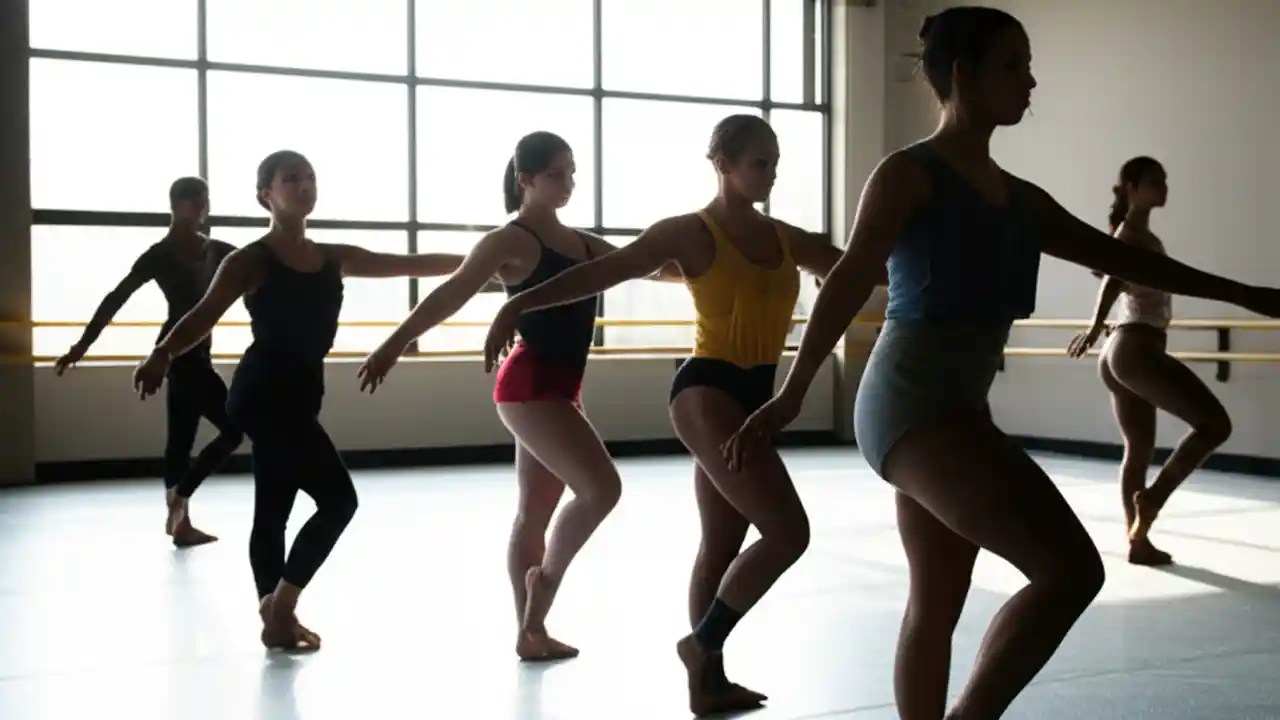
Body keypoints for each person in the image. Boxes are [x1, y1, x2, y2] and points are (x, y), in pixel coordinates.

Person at [719, 8, 1280, 720]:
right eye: (1014, 65)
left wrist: (1251, 295)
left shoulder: (1021, 200)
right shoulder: (907, 175)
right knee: (1070, 569)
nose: (1031, 81)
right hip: (911, 404)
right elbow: (851, 277)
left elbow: (1126, 259)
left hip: (956, 408)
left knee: (937, 602)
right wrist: (793, 392)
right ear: (963, 75)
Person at [481, 115, 840, 715]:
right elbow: (600, 271)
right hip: (708, 393)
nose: (771, 173)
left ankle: (708, 683)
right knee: (788, 532)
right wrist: (517, 304)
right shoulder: (688, 232)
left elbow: (852, 270)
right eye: (759, 162)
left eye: (776, 162)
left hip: (754, 393)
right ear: (722, 163)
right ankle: (701, 645)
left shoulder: (787, 238)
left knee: (721, 546)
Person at [358, 130, 680, 662]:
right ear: (525, 180)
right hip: (529, 385)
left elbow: (644, 264)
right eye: (556, 173)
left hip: (560, 388)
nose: (568, 182)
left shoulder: (583, 242)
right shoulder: (510, 240)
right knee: (601, 490)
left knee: (533, 512)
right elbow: (452, 291)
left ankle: (530, 632)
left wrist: (706, 264)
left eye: (572, 172)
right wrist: (395, 343)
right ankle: (542, 589)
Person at [132, 150, 465, 652]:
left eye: (310, 177)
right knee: (338, 501)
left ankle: (274, 614)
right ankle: (281, 607)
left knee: (273, 507)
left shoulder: (334, 256)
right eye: (292, 179)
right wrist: (161, 354)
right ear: (266, 193)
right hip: (264, 392)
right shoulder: (249, 260)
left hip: (301, 393)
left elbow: (409, 264)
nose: (305, 185)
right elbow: (202, 315)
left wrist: (484, 266)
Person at [54, 176, 242, 547]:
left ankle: (179, 520)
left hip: (197, 352)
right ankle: (180, 506)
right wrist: (82, 345)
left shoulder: (218, 250)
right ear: (175, 205)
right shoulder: (160, 254)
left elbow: (258, 267)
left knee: (181, 439)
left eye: (205, 201)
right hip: (175, 354)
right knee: (233, 429)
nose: (202, 208)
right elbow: (116, 297)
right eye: (194, 201)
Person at [1067, 157, 1233, 566]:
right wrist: (1093, 326)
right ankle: (1153, 499)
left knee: (1138, 448)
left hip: (1122, 351)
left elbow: (1113, 274)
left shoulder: (1136, 233)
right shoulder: (1132, 236)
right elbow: (1111, 278)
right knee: (1214, 425)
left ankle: (1137, 542)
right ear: (1131, 187)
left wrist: (1099, 330)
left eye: (1165, 179)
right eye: (1155, 181)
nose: (1164, 186)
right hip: (1135, 348)